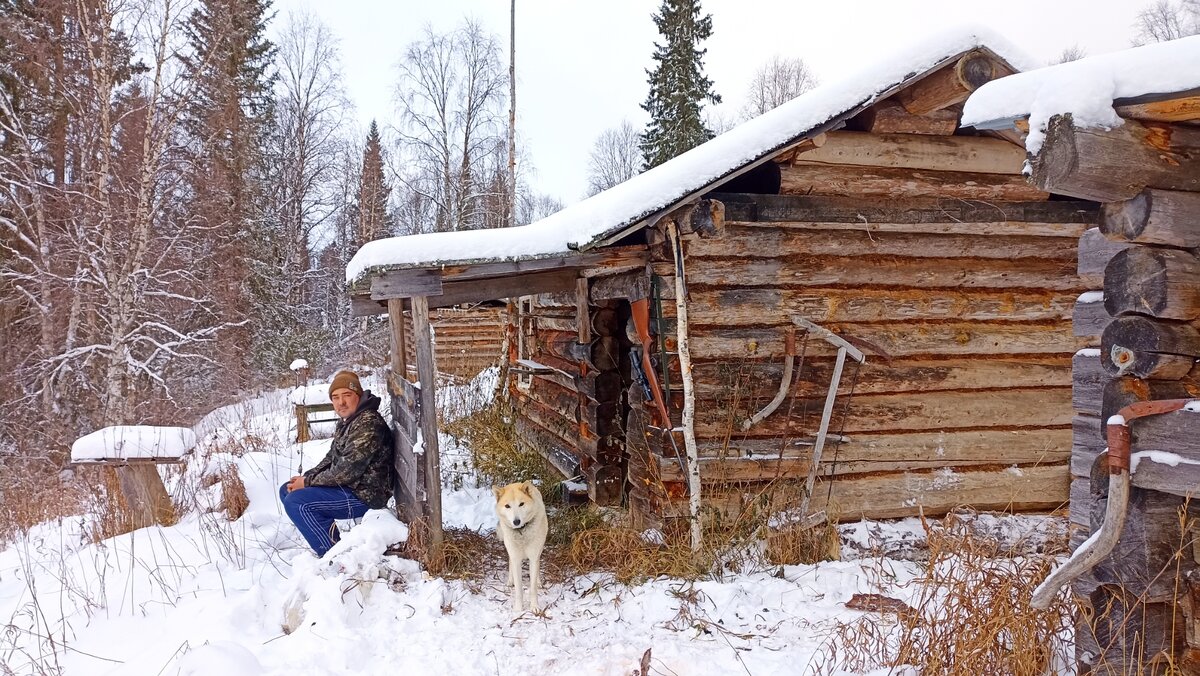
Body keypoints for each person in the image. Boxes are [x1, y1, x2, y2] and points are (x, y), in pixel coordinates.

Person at [280, 370, 393, 556]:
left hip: (366, 495)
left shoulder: (368, 423)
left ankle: (333, 556)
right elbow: (332, 456)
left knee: (298, 502)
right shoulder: (350, 420)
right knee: (288, 489)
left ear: (358, 395)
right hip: (351, 486)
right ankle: (331, 540)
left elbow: (346, 470)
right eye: (335, 397)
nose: (341, 402)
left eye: (347, 395)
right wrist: (307, 477)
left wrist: (308, 483)